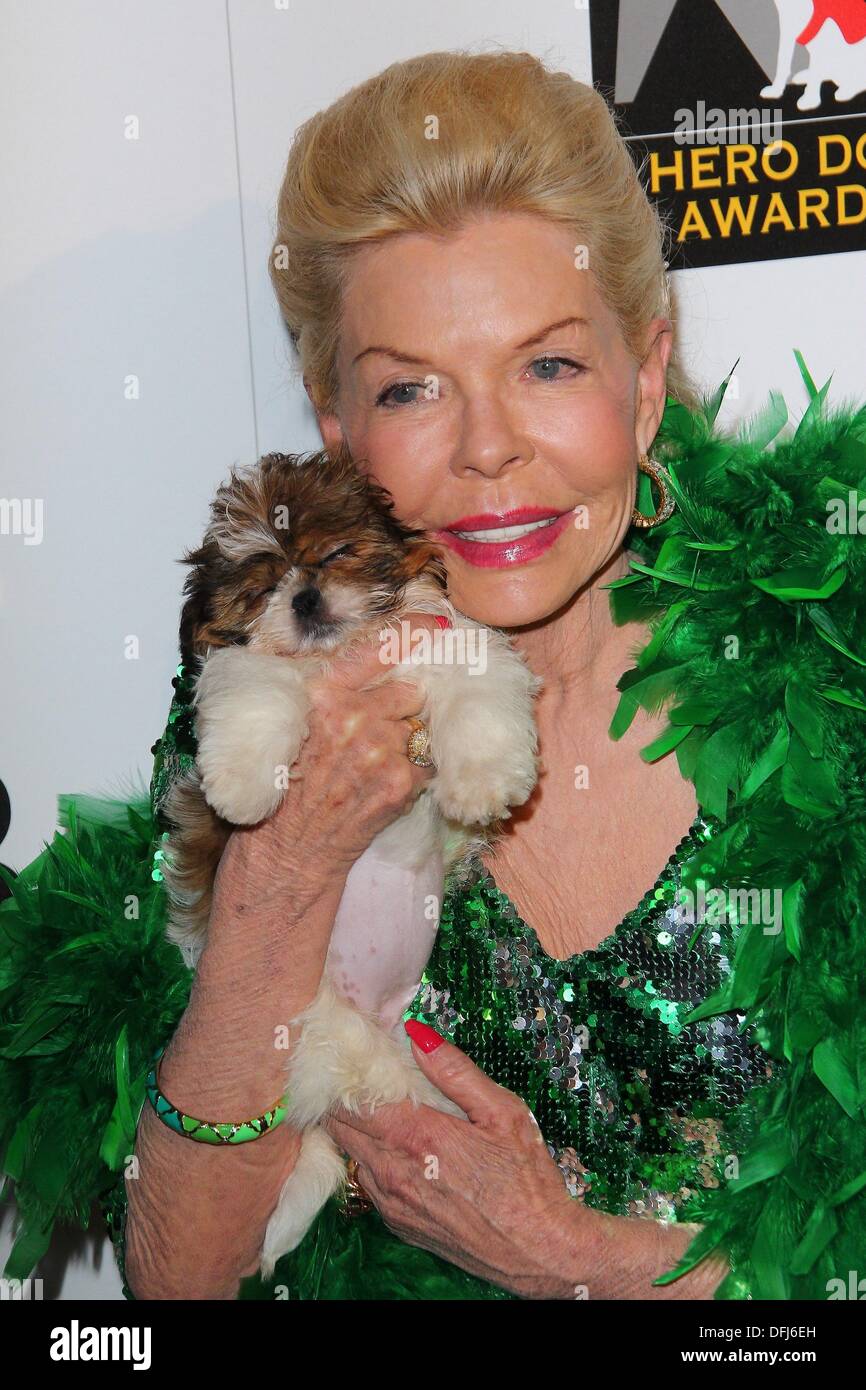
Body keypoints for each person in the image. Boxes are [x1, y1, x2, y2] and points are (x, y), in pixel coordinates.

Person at [2, 50, 864, 1302]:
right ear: (337, 428)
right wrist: (286, 862)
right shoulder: (264, 696)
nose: (486, 449)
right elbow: (176, 1285)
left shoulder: (836, 682)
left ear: (642, 378)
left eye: (549, 365)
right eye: (411, 388)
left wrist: (575, 1259)